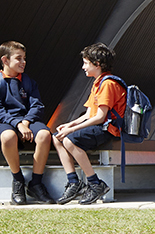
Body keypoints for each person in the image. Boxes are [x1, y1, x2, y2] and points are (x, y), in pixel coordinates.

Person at [52, 42, 126, 205]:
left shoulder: (108, 84)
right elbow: (88, 114)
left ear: (97, 64)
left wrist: (72, 131)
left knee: (69, 140)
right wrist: (69, 125)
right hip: (98, 126)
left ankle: (95, 183)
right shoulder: (98, 83)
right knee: (57, 137)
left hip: (108, 129)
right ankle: (74, 182)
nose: (83, 67)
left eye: (86, 63)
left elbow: (100, 117)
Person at [0, 40, 54, 205]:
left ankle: (36, 183)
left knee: (44, 135)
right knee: (8, 137)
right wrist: (18, 124)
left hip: (26, 121)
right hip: (4, 122)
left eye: (24, 58)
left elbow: (37, 106)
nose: (23, 62)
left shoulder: (28, 82)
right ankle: (18, 180)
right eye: (19, 58)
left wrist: (26, 122)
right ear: (5, 60)